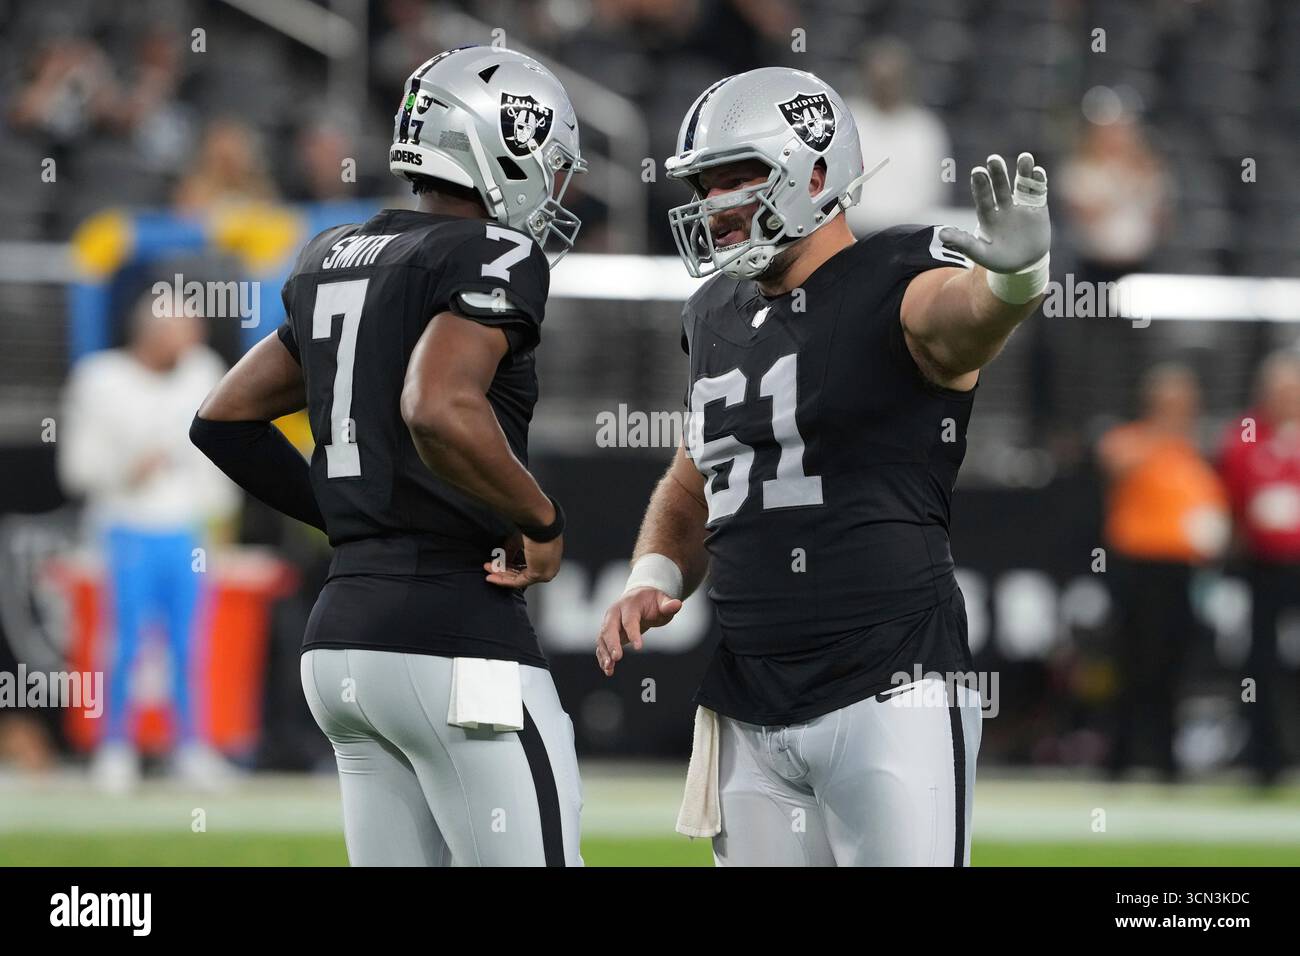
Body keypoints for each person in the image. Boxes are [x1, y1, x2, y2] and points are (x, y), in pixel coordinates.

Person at [596, 67, 1051, 866]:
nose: (713, 205)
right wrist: (655, 574)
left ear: (814, 174)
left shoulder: (897, 276)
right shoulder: (711, 312)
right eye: (703, 185)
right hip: (747, 695)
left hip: (889, 685)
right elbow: (695, 470)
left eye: (736, 179)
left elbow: (966, 320)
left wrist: (1012, 281)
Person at [191, 46, 587, 866]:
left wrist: (356, 517)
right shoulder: (493, 253)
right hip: (452, 636)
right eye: (547, 164)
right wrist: (539, 519)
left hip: (343, 650)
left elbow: (222, 418)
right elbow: (438, 406)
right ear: (495, 148)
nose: (555, 188)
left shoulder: (335, 252)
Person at [58, 295, 239, 792]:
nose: (192, 341)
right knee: (122, 643)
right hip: (125, 523)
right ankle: (114, 747)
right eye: (182, 329)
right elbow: (76, 468)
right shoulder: (100, 378)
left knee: (190, 643)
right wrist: (128, 469)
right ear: (151, 333)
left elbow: (218, 463)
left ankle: (192, 746)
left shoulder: (202, 370)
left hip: (187, 528)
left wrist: (221, 528)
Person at [1097, 363, 1229, 781]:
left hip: (1181, 571)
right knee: (1134, 661)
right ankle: (1119, 758)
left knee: (1174, 665)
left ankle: (1166, 760)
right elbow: (1113, 462)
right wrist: (1162, 433)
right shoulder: (1133, 440)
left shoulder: (1191, 454)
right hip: (1139, 568)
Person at [1220, 351, 1300, 786]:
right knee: (1261, 662)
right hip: (1264, 566)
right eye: (1278, 391)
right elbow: (1233, 495)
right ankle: (1264, 759)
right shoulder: (1246, 435)